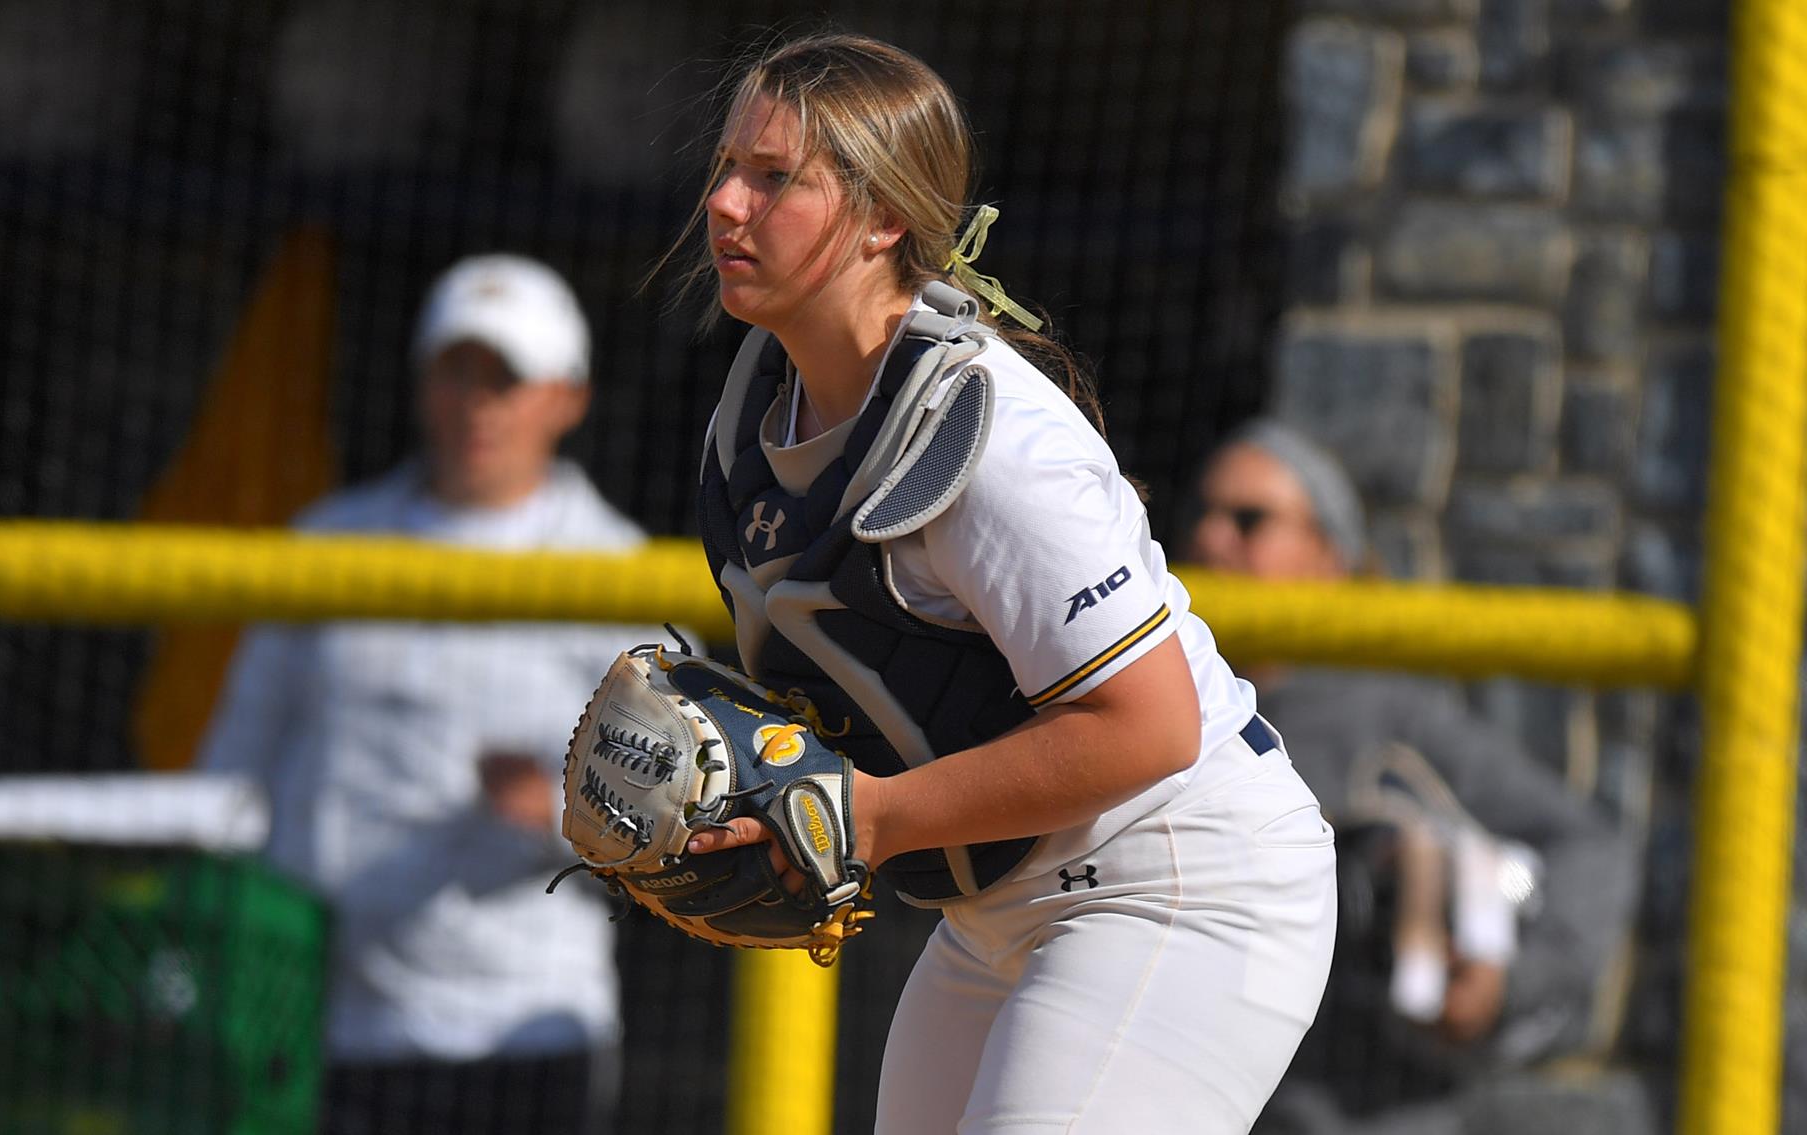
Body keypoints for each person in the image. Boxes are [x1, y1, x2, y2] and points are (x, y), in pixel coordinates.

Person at [663, 34, 1337, 1134]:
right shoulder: (754, 420)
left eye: (775, 177)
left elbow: (1149, 724)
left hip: (1176, 876)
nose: (725, 204)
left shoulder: (983, 433)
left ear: (883, 218)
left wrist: (866, 819)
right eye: (725, 166)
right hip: (999, 912)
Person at [197, 253, 647, 1135]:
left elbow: (689, 832)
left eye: (505, 377)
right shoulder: (324, 547)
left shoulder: (626, 576)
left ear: (567, 397)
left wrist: (565, 813)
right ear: (419, 382)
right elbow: (236, 762)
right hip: (328, 1024)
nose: (476, 402)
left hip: (531, 1025)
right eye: (456, 369)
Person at [1187, 419, 1644, 1134]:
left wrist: (1502, 982)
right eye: (1203, 516)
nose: (1213, 540)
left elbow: (1589, 842)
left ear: (1328, 554)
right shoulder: (1168, 713)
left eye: (1250, 520)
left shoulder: (1391, 718)